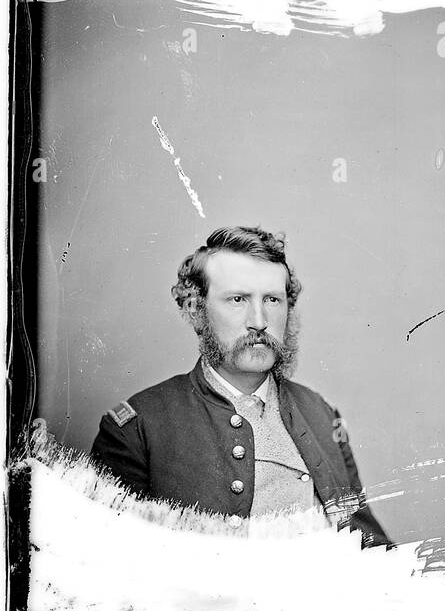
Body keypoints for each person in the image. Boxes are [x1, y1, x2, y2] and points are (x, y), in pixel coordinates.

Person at [91, 225, 388, 545]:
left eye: (272, 300)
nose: (259, 321)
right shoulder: (136, 429)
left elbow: (371, 548)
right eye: (237, 299)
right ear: (195, 309)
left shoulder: (321, 414)